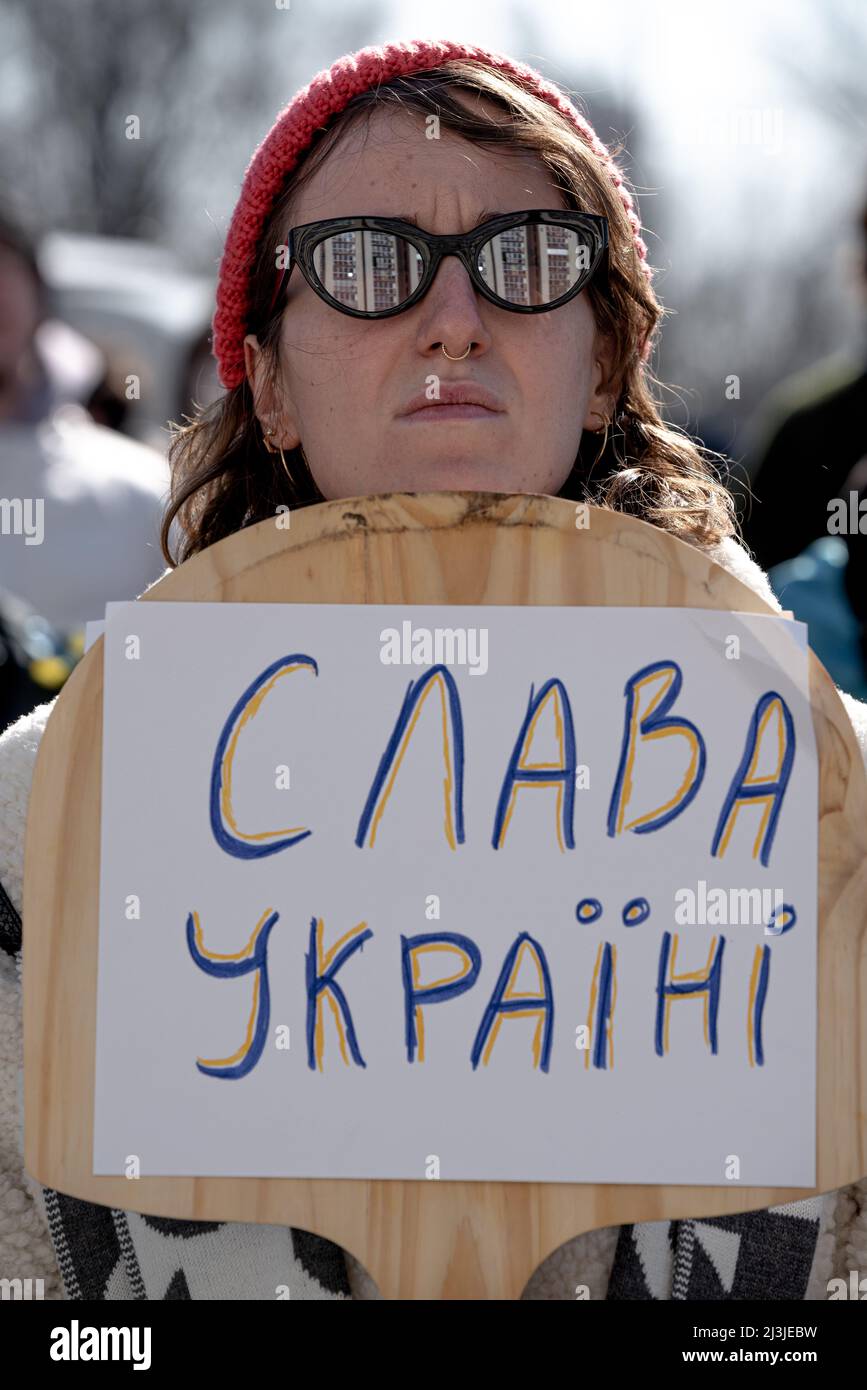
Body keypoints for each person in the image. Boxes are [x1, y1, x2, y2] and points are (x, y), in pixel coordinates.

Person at [3, 37, 867, 1301]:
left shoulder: (826, 794)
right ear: (271, 379)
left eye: (527, 262)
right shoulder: (43, 824)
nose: (454, 319)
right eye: (364, 264)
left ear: (607, 363)